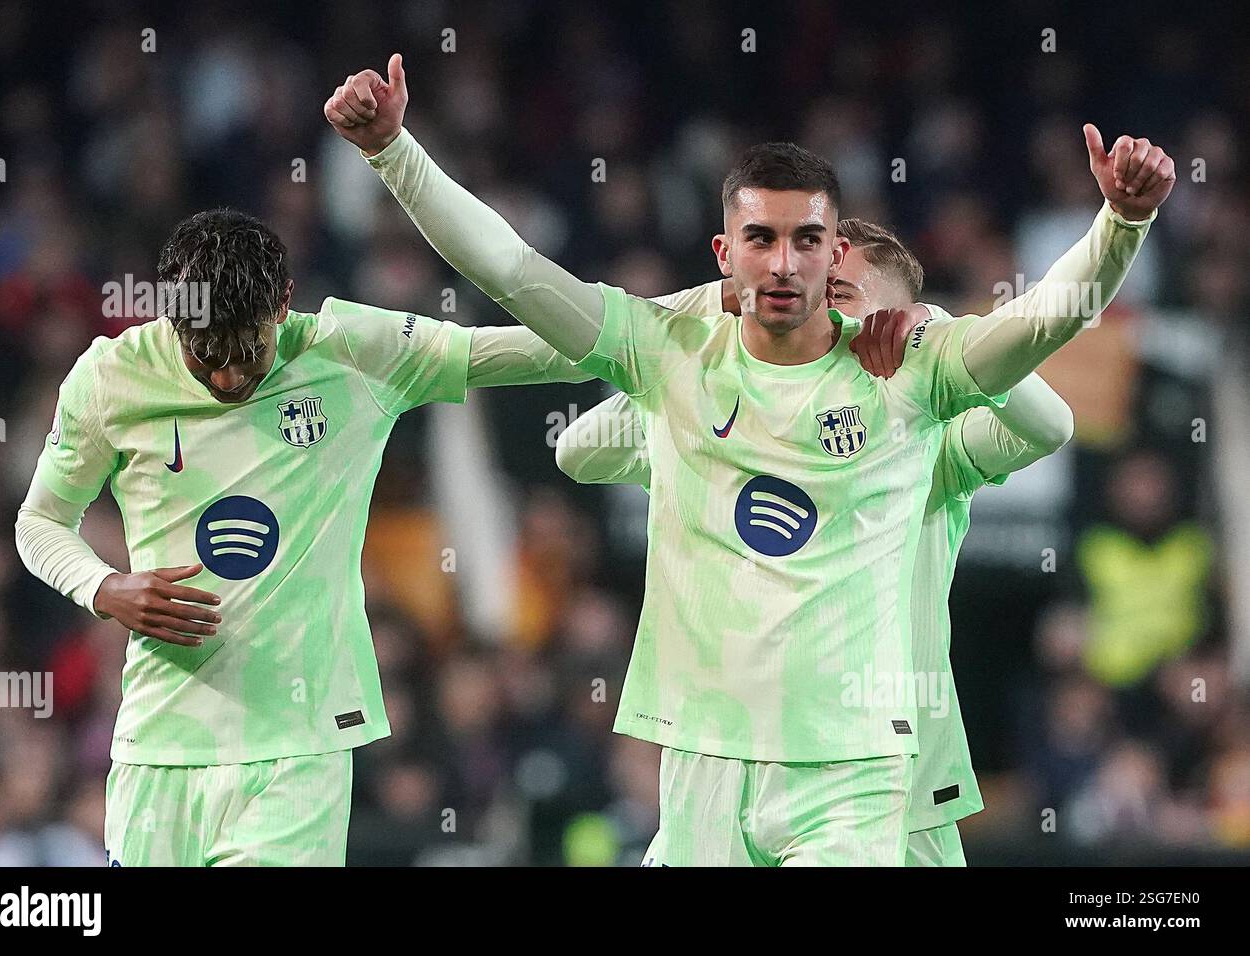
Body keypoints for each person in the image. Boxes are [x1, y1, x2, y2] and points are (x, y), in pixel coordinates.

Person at [325, 54, 1172, 864]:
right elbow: (512, 271)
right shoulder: (671, 351)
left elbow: (1048, 322)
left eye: (808, 240)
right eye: (760, 238)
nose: (784, 261)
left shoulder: (910, 374)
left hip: (855, 763)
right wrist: (394, 153)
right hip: (705, 754)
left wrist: (1121, 223)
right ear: (725, 256)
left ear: (836, 251)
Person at [14, 207, 592, 866]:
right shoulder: (110, 377)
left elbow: (536, 350)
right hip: (161, 745)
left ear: (284, 303)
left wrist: (688, 318)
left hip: (301, 748)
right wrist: (102, 586)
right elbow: (40, 522)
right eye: (207, 356)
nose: (228, 378)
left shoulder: (352, 354)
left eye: (245, 353)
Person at [553, 216, 1084, 865]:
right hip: (722, 768)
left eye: (838, 297)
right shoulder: (719, 418)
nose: (811, 312)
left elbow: (1049, 426)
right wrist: (698, 344)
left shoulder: (926, 436)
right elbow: (578, 453)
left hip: (885, 785)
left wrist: (944, 336)